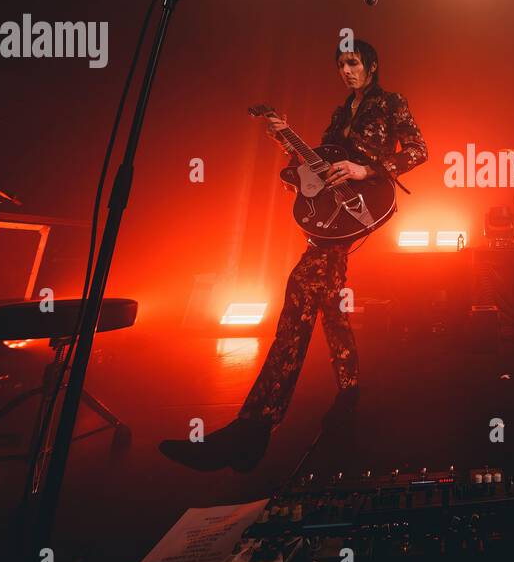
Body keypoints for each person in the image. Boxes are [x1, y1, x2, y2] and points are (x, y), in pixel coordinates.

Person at [160, 39, 427, 472]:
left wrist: (366, 169)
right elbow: (317, 162)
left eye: (354, 62)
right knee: (330, 305)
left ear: (373, 66)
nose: (346, 70)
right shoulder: (341, 113)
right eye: (340, 64)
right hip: (331, 213)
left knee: (300, 289)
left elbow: (418, 150)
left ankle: (254, 427)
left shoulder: (392, 103)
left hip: (363, 201)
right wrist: (286, 141)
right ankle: (349, 390)